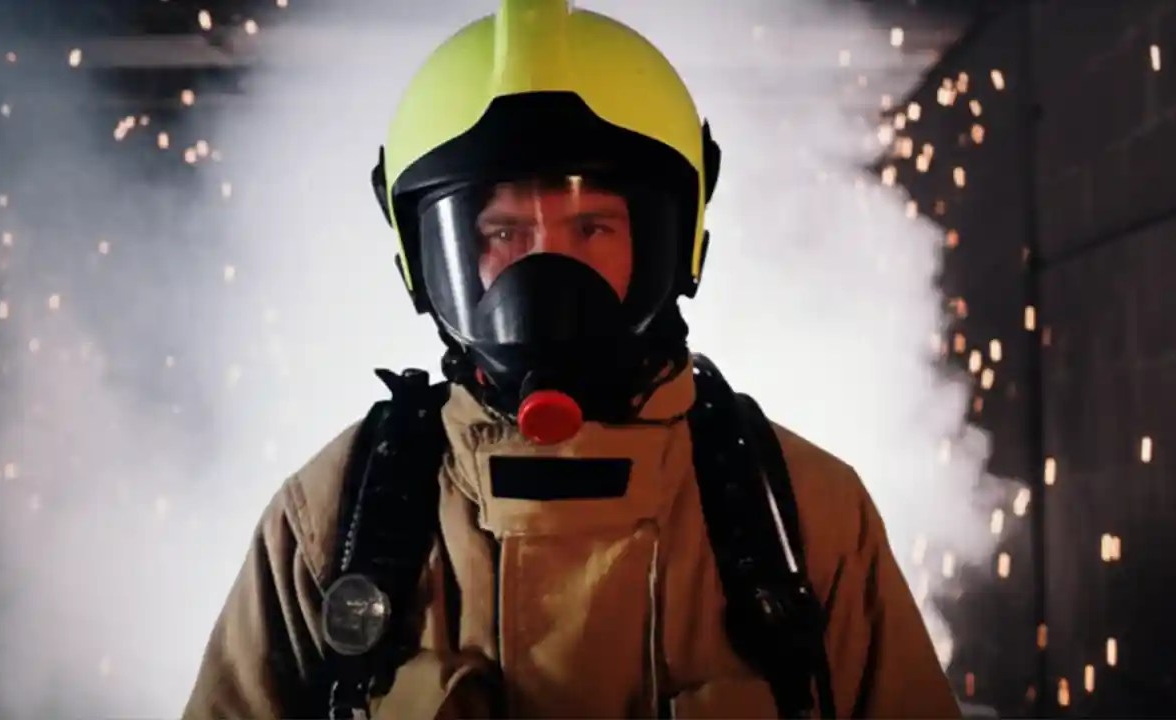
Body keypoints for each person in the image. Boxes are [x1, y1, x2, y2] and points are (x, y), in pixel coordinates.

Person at [183, 1, 961, 717]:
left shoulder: (805, 519)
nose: (546, 280)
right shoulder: (332, 520)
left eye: (592, 229)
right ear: (430, 258)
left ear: (670, 242)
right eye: (503, 234)